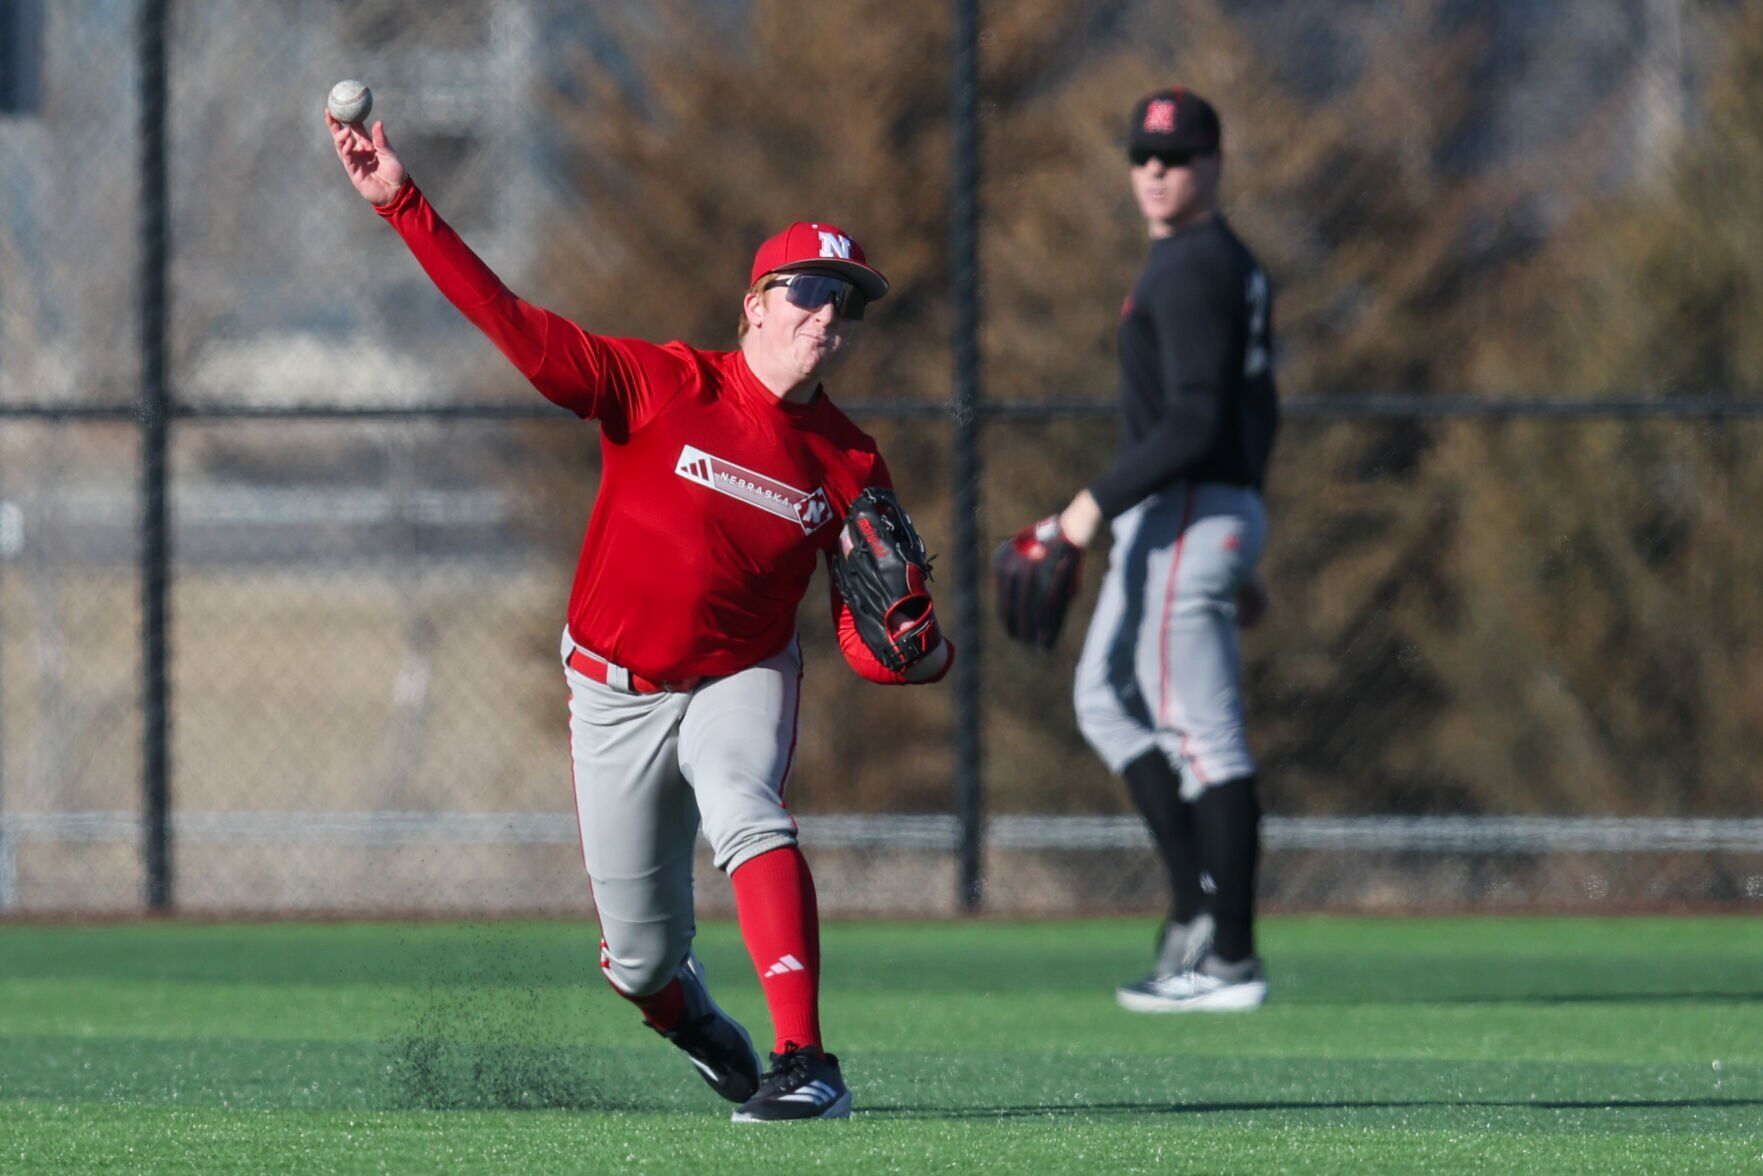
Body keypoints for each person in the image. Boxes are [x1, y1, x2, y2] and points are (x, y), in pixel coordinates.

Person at [327, 111, 953, 1120]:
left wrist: (924, 650)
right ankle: (696, 1021)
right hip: (611, 690)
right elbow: (512, 324)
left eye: (846, 302)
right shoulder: (661, 385)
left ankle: (805, 1062)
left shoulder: (848, 459)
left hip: (739, 673)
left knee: (746, 807)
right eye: (807, 291)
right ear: (753, 305)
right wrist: (403, 202)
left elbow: (877, 641)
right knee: (639, 962)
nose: (827, 315)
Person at [1054, 88, 1279, 1012]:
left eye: (1177, 156)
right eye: (1142, 155)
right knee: (1103, 699)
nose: (1155, 170)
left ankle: (1229, 959)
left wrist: (1085, 508)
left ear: (1213, 163)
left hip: (1186, 506)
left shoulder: (1192, 265)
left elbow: (1194, 421)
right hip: (1198, 512)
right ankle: (1195, 912)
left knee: (1202, 736)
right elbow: (1252, 409)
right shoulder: (1209, 260)